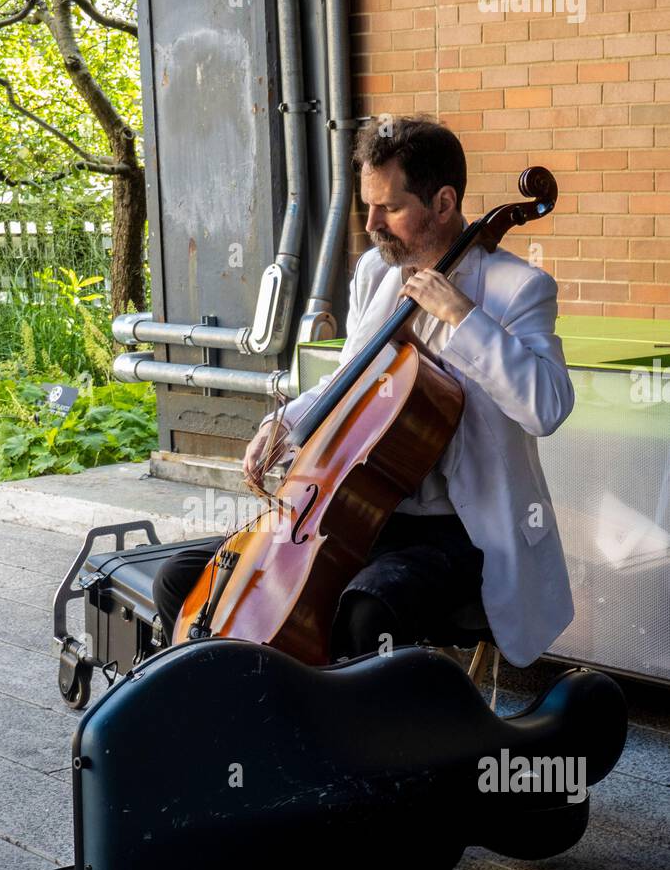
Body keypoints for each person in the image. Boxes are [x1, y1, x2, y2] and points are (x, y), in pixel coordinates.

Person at [153, 116, 575, 668]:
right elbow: (348, 376)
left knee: (365, 611)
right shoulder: (378, 270)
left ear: (444, 203)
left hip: (458, 531)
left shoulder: (517, 287)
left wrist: (462, 318)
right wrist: (283, 424)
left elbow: (547, 407)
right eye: (367, 204)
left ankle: (370, 744)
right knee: (185, 582)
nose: (372, 223)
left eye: (391, 208)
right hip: (357, 513)